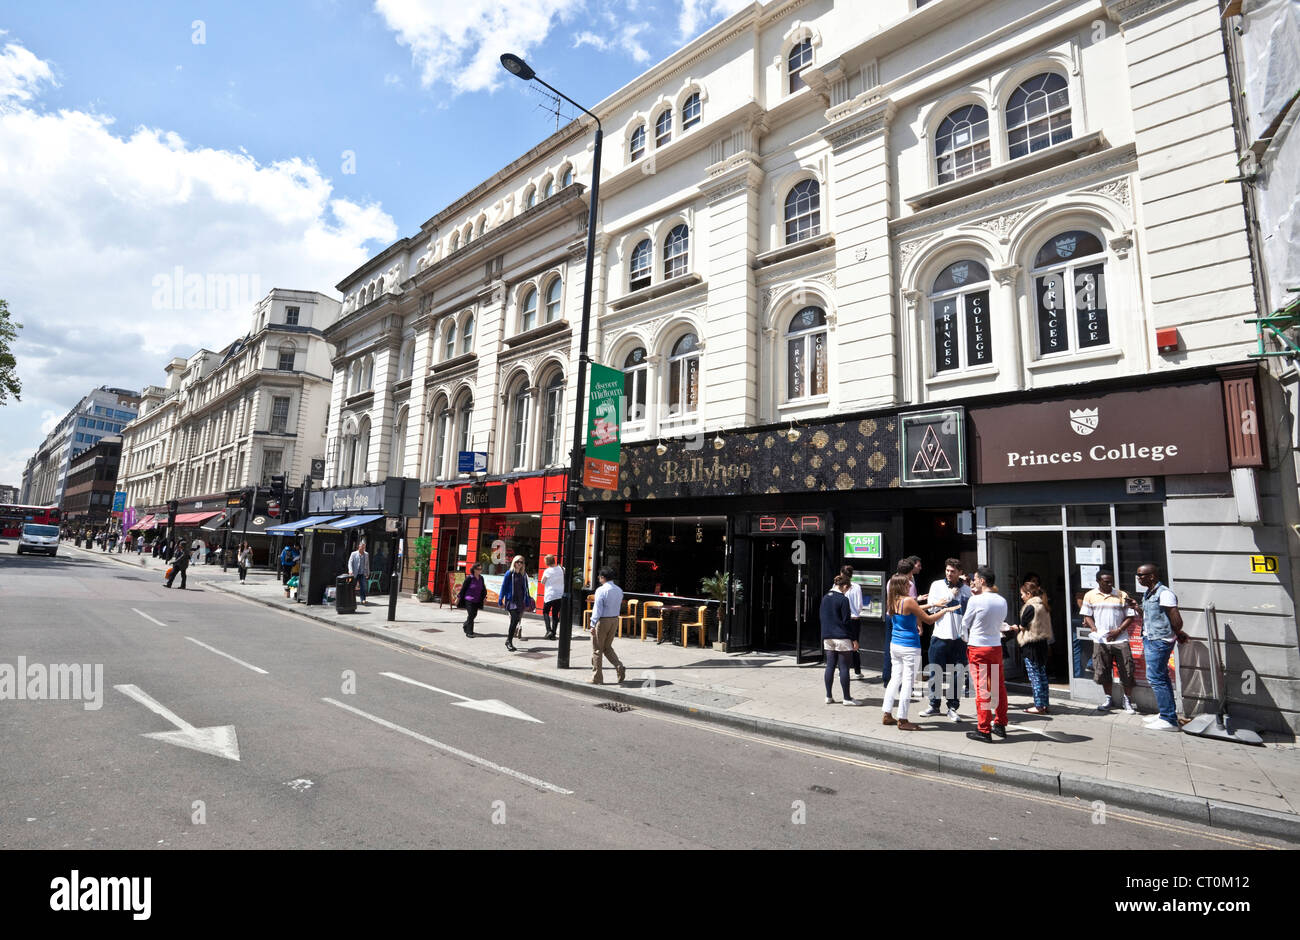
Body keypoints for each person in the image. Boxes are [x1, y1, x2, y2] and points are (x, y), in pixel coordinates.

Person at [883, 574, 958, 730]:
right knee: (908, 683)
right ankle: (903, 720)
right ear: (900, 586)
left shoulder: (892, 600)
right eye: (906, 584)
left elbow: (914, 609)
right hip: (909, 646)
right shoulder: (909, 601)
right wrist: (945, 611)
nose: (909, 586)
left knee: (895, 679)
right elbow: (929, 620)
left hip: (895, 645)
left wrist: (933, 604)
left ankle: (887, 713)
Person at [963, 565, 1011, 743]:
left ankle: (984, 729)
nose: (973, 581)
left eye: (975, 578)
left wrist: (964, 638)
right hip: (995, 647)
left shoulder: (976, 600)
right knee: (998, 687)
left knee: (982, 689)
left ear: (982, 581)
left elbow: (965, 622)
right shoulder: (1002, 600)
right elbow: (1000, 623)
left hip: (978, 647)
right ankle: (1000, 724)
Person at [920, 558, 971, 721]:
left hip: (959, 639)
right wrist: (950, 595)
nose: (949, 574)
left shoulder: (967, 591)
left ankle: (953, 707)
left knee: (957, 674)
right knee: (935, 671)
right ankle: (934, 705)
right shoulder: (936, 585)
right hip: (940, 635)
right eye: (947, 570)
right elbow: (931, 608)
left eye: (953, 571)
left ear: (960, 573)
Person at [1137, 563, 1187, 732]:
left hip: (1159, 640)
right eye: (1138, 575)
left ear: (1152, 576)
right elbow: (1153, 615)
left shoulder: (1164, 593)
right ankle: (1167, 714)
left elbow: (1176, 619)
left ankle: (1169, 719)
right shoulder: (1149, 593)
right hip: (1152, 637)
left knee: (1155, 678)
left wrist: (1177, 632)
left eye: (1142, 575)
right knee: (1161, 677)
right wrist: (1136, 608)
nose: (1139, 578)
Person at [1082, 570, 1138, 714]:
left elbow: (1130, 616)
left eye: (1111, 581)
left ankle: (1127, 700)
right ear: (1098, 581)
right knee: (1103, 670)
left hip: (1120, 639)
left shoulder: (1121, 595)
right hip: (1101, 640)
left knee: (1127, 670)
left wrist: (1118, 631)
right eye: (1106, 581)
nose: (1110, 583)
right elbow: (1087, 615)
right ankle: (1108, 698)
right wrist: (1093, 627)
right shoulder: (1090, 595)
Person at [1011, 580, 1054, 714]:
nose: (1021, 597)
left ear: (1029, 594)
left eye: (1022, 594)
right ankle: (1044, 704)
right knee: (1042, 676)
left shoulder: (1030, 607)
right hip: (1042, 644)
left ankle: (1039, 706)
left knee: (1034, 677)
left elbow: (1023, 625)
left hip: (1031, 646)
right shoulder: (1043, 605)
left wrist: (1014, 628)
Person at [821, 575, 863, 706]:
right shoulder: (843, 600)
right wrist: (854, 639)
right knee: (844, 668)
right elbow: (847, 621)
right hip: (842, 637)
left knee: (830, 666)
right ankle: (847, 698)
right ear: (844, 586)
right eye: (848, 589)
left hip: (828, 636)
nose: (847, 591)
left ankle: (828, 696)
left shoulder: (825, 597)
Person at [589, 566, 626, 684]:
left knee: (597, 649)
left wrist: (592, 624)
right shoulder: (619, 590)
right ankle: (619, 665)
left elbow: (597, 609)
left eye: (599, 576)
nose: (598, 578)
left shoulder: (601, 590)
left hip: (603, 621)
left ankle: (597, 678)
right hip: (614, 620)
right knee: (607, 647)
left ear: (603, 578)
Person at [497, 555, 534, 652]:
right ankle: (509, 641)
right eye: (518, 561)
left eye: (521, 562)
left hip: (520, 601)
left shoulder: (523, 575)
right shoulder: (509, 573)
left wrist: (527, 601)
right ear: (514, 562)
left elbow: (526, 589)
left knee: (516, 621)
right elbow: (504, 587)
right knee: (514, 620)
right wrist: (500, 600)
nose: (519, 564)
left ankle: (508, 640)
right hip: (511, 601)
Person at [839, 565, 867, 681]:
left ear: (841, 574)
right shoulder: (857, 587)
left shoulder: (838, 586)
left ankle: (842, 671)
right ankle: (857, 671)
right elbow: (860, 604)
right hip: (854, 619)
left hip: (842, 619)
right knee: (855, 645)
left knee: (842, 646)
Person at [540, 554, 565, 641]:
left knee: (545, 612)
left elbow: (543, 582)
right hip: (559, 595)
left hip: (550, 595)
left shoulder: (547, 571)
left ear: (547, 562)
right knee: (555, 614)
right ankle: (553, 634)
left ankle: (548, 630)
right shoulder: (562, 569)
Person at [459, 563, 487, 637]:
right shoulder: (469, 578)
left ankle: (466, 624)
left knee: (474, 615)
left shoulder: (481, 578)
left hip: (477, 600)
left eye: (481, 569)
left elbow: (483, 589)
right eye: (478, 569)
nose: (480, 570)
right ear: (474, 570)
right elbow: (463, 588)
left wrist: (485, 597)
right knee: (471, 615)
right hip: (469, 599)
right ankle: (469, 632)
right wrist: (458, 597)